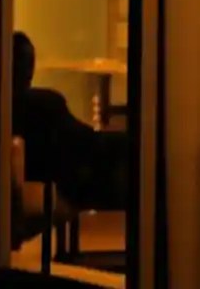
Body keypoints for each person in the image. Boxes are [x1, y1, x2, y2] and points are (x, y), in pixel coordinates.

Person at [12, 33, 126, 220]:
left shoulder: (0, 109)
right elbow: (82, 140)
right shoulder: (43, 103)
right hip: (72, 176)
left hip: (60, 172)